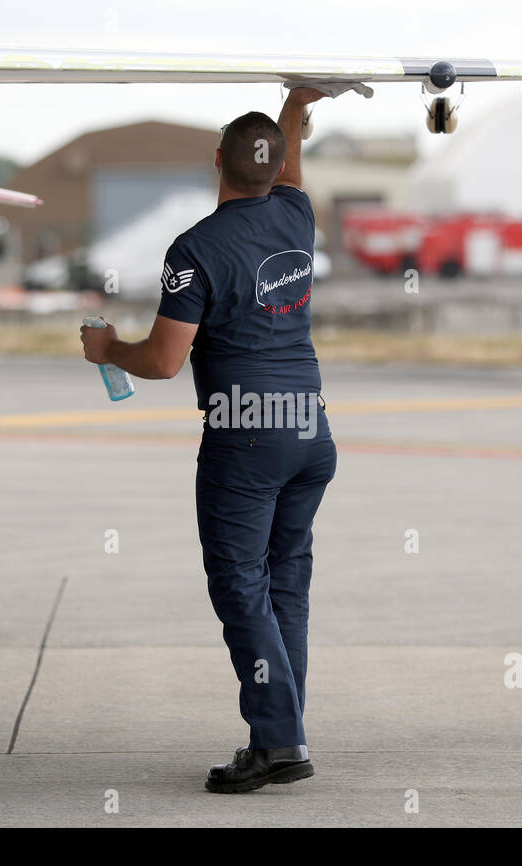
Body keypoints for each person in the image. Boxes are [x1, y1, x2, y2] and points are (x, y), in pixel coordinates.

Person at [80, 86, 347, 792]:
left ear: (217, 161)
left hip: (245, 437)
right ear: (277, 167)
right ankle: (282, 732)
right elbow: (288, 162)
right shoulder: (296, 215)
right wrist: (296, 102)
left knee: (240, 586)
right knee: (286, 584)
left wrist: (108, 349)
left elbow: (164, 360)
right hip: (309, 430)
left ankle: (279, 740)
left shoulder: (195, 249)